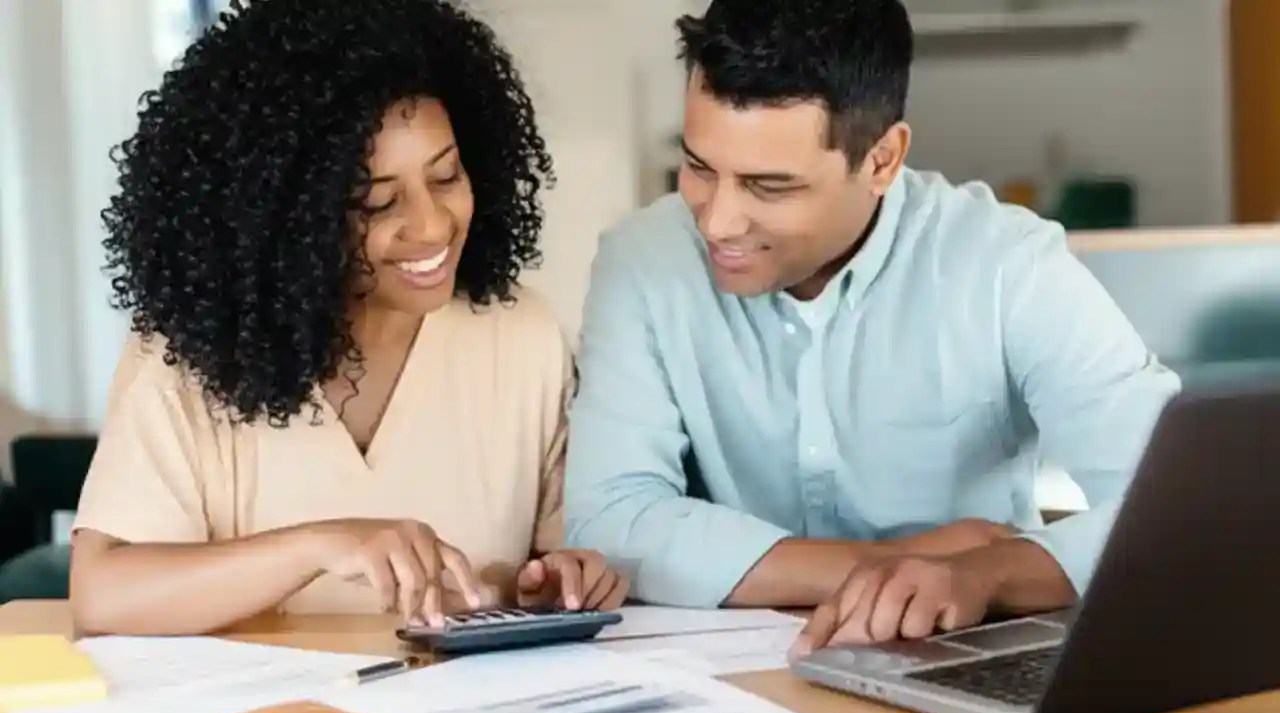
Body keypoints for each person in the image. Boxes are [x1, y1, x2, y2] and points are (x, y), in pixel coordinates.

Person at [564, 0, 1179, 656]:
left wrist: (986, 575)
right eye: (698, 167)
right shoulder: (643, 262)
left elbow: (1178, 507)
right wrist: (900, 562)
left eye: (769, 187)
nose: (716, 222)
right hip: (734, 680)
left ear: (883, 160)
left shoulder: (1008, 267)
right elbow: (610, 520)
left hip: (964, 655)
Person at [69, 0, 627, 636]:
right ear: (284, 221)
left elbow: (553, 562)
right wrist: (316, 546)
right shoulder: (186, 357)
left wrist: (565, 578)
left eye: (446, 177)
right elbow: (102, 593)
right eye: (378, 201)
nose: (433, 225)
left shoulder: (522, 336)